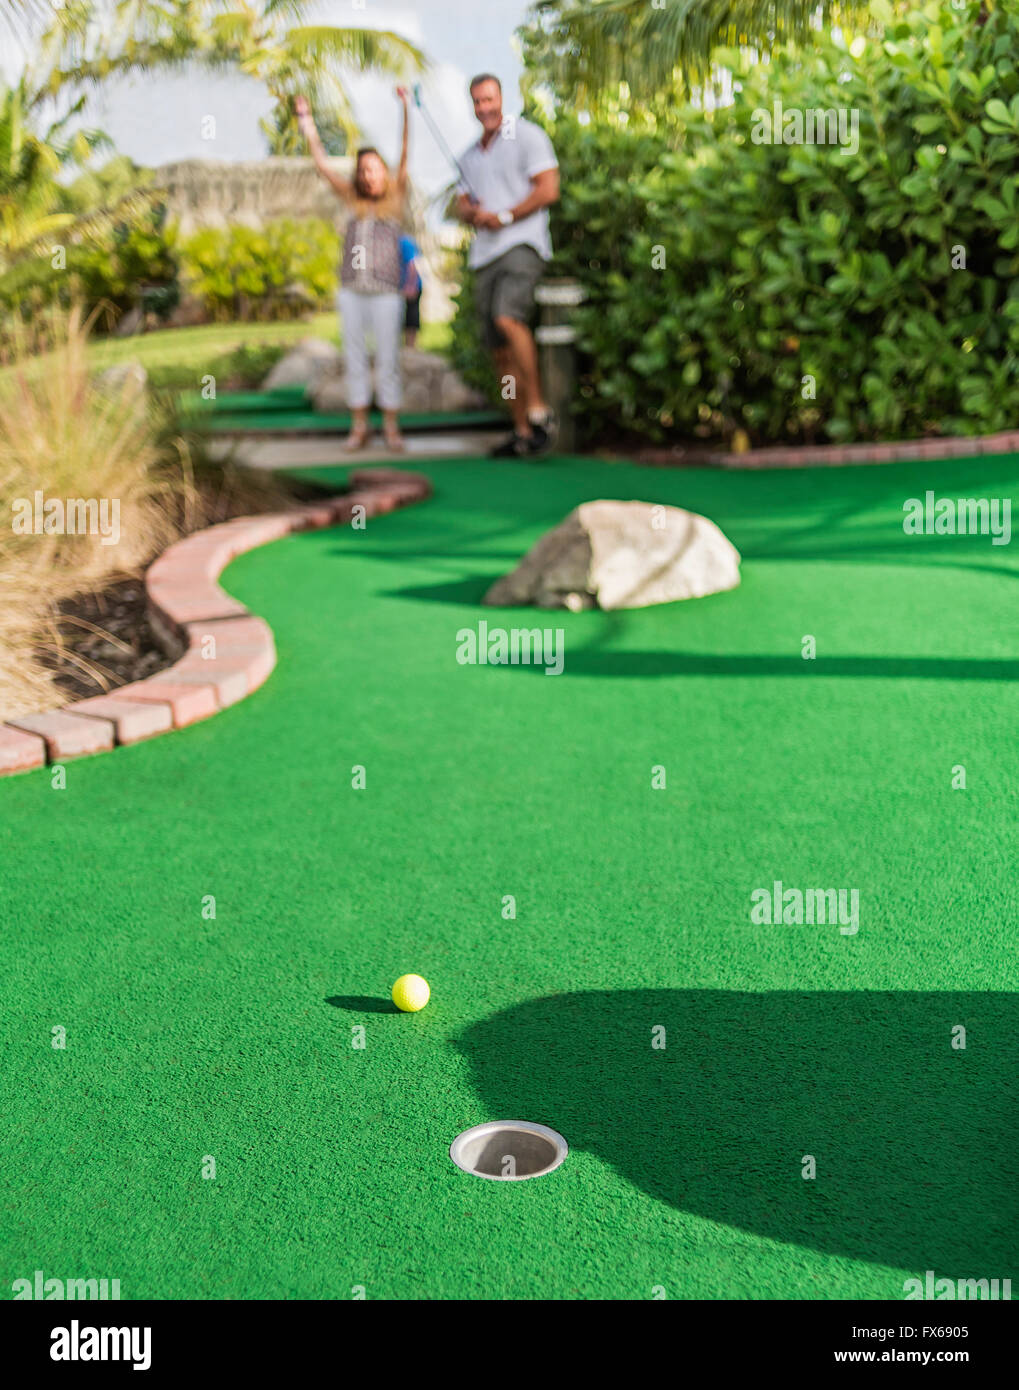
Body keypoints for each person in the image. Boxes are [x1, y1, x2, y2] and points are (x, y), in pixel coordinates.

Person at [296, 89, 410, 452]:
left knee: (388, 358)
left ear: (384, 172)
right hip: (352, 290)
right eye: (364, 170)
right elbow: (321, 164)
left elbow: (405, 153)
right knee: (355, 357)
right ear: (359, 174)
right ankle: (359, 426)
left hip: (385, 292)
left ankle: (391, 427)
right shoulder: (350, 199)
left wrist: (405, 109)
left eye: (375, 168)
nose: (369, 174)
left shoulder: (395, 201)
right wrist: (307, 123)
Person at [456, 74, 560, 458]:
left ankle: (537, 407)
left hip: (521, 244)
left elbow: (549, 189)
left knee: (507, 317)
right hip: (484, 255)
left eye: (489, 100)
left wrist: (502, 216)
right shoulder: (469, 155)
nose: (485, 108)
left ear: (502, 98)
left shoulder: (528, 136)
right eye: (478, 102)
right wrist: (471, 212)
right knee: (498, 350)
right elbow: (461, 204)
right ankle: (521, 431)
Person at [399, 234, 423, 349]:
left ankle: (411, 347)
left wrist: (410, 286)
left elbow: (412, 265)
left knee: (411, 318)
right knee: (402, 317)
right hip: (401, 286)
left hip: (411, 285)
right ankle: (405, 347)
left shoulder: (404, 242)